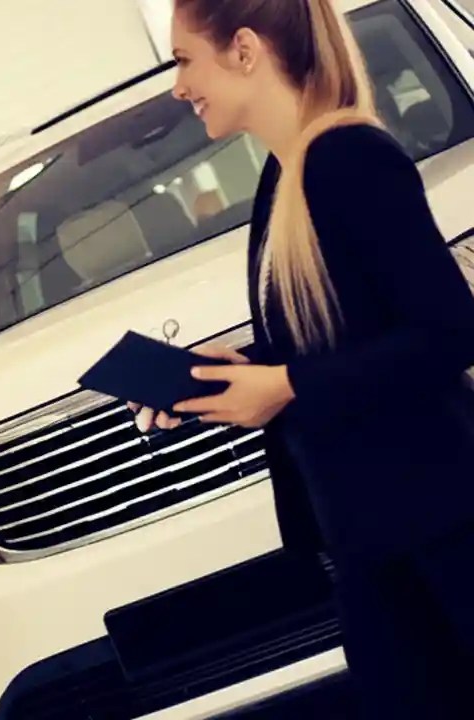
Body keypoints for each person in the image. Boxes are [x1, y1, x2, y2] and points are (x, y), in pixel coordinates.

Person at [125, 0, 474, 716]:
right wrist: (236, 367)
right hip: (375, 546)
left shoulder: (350, 159)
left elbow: (447, 331)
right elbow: (345, 332)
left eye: (185, 60)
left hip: (442, 532)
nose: (178, 87)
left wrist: (284, 383)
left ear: (245, 51)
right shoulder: (282, 181)